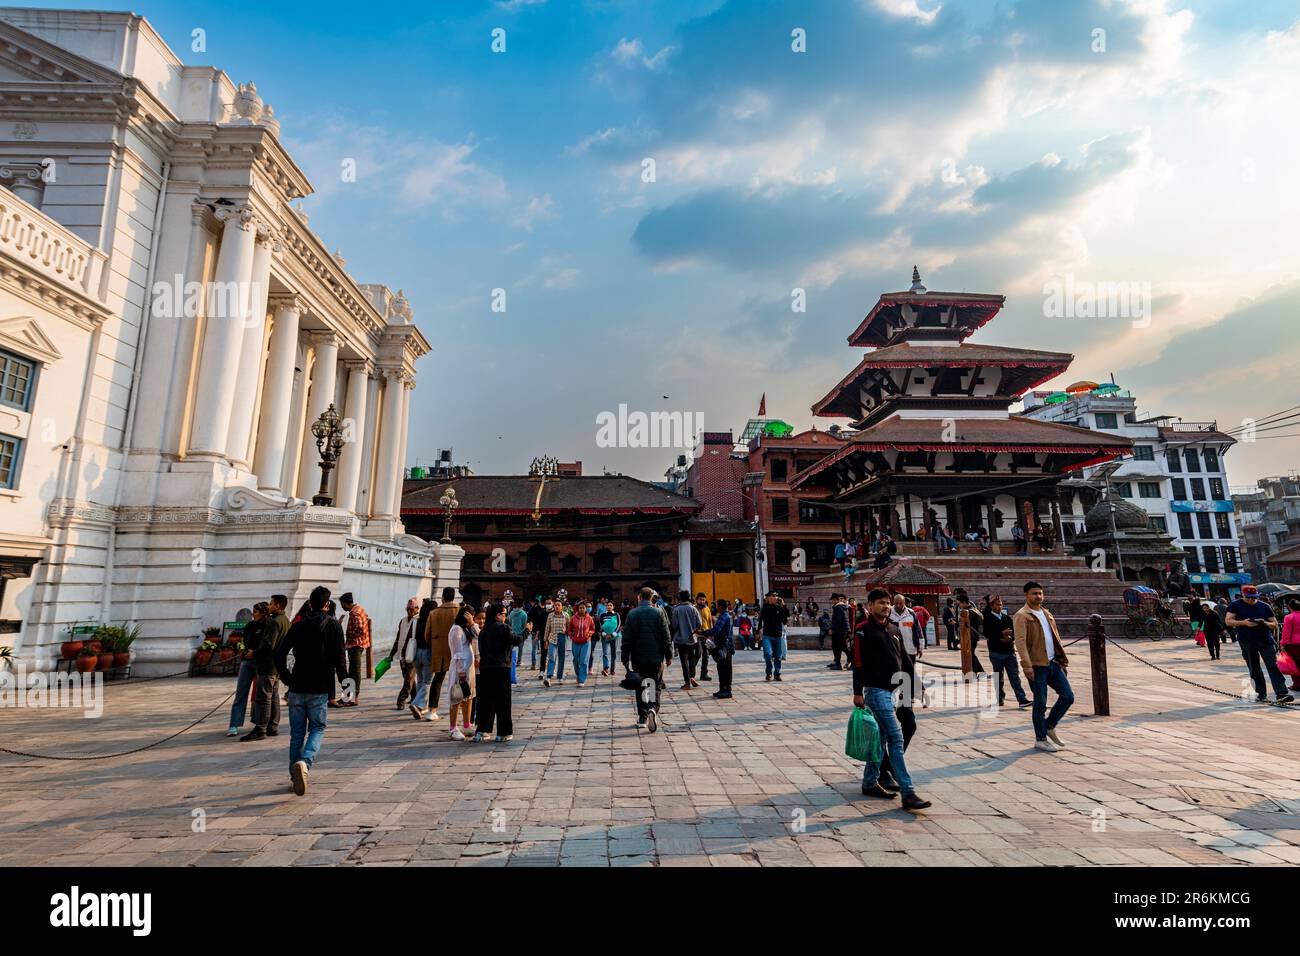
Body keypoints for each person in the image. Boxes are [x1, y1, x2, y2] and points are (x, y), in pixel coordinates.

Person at [853, 588, 931, 811]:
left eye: (887, 603)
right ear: (870, 606)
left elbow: (905, 661)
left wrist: (918, 685)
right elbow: (858, 663)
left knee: (881, 738)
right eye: (880, 603)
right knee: (895, 738)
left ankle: (869, 782)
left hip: (895, 691)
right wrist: (857, 691)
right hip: (876, 692)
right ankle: (908, 792)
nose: (885, 606)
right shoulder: (862, 631)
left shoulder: (894, 629)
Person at [274, 585, 349, 796]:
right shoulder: (334, 626)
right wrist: (347, 686)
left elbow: (279, 656)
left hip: (297, 686)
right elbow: (340, 660)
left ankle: (294, 774)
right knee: (317, 728)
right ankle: (305, 762)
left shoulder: (298, 626)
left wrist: (288, 679)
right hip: (319, 687)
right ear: (327, 605)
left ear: (309, 604)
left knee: (296, 733)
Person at [1013, 581, 1074, 752]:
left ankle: (1049, 726)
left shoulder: (1047, 614)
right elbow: (1021, 642)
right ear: (1026, 595)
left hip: (1053, 663)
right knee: (1040, 703)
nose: (1038, 596)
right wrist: (1026, 665)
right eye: (1034, 593)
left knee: (1068, 696)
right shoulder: (1022, 615)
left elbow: (1055, 639)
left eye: (1040, 593)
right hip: (1036, 665)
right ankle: (1040, 738)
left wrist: (1062, 661)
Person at [1225, 585, 1293, 704]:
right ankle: (1260, 693)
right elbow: (1228, 621)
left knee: (1273, 665)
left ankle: (1281, 693)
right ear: (1243, 595)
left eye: (1254, 597)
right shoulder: (1235, 605)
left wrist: (1265, 623)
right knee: (1254, 667)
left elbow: (1275, 624)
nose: (1252, 600)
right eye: (1249, 598)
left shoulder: (1264, 606)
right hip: (1246, 640)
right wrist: (1244, 623)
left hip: (1265, 640)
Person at [622, 587, 671, 732]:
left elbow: (627, 639)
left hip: (638, 656)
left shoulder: (632, 613)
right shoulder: (659, 612)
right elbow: (665, 636)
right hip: (656, 656)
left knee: (642, 685)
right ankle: (653, 709)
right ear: (652, 598)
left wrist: (625, 657)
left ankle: (643, 717)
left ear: (639, 597)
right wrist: (669, 655)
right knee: (655, 684)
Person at [475, 603, 521, 742]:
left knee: (486, 701)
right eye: (504, 614)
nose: (505, 617)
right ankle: (503, 732)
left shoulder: (483, 631)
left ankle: (482, 731)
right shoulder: (503, 628)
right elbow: (515, 640)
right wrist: (526, 631)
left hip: (486, 669)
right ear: (497, 615)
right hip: (501, 668)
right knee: (503, 701)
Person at [410, 587, 458, 722]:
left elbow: (427, 635)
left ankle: (431, 710)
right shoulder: (459, 611)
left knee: (436, 680)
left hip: (437, 651)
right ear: (453, 597)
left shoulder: (434, 613)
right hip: (455, 651)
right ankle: (464, 715)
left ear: (442, 597)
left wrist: (435, 644)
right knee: (458, 680)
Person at [982, 594, 1030, 708]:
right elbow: (987, 634)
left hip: (1009, 651)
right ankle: (999, 698)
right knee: (998, 677)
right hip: (996, 651)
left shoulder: (1007, 618)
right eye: (997, 605)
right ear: (992, 606)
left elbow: (1014, 632)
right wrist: (1000, 635)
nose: (1000, 607)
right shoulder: (987, 618)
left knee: (1014, 676)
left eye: (1001, 604)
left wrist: (1010, 638)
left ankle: (1021, 699)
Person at [230, 602, 268, 739]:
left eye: (256, 612)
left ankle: (258, 722)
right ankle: (234, 724)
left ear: (263, 613)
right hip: (247, 661)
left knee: (259, 694)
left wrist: (255, 653)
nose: (254, 615)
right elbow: (246, 641)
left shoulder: (268, 626)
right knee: (241, 692)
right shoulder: (250, 626)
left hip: (260, 661)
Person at [446, 605, 478, 741]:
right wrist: (461, 671)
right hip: (460, 669)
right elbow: (457, 652)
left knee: (468, 696)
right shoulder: (456, 629)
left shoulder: (467, 628)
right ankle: (453, 728)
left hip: (468, 668)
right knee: (456, 697)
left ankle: (467, 724)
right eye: (470, 616)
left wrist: (472, 624)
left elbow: (478, 635)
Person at [335, 593, 369, 708]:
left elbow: (359, 628)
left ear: (345, 603)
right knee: (353, 671)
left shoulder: (354, 613)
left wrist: (350, 637)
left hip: (355, 645)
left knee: (354, 672)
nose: (342, 607)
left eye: (342, 604)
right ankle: (348, 696)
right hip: (360, 644)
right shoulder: (359, 609)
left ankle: (354, 698)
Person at [388, 597, 421, 710]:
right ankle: (415, 697)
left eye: (412, 609)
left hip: (413, 654)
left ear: (417, 609)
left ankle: (400, 701)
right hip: (402, 654)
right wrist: (391, 654)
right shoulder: (402, 621)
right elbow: (398, 638)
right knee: (408, 678)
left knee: (408, 679)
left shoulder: (418, 621)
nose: (409, 611)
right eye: (408, 609)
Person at [671, 590, 702, 690]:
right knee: (692, 658)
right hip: (692, 638)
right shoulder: (693, 609)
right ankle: (692, 676)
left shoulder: (676, 609)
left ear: (680, 598)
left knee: (684, 661)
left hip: (680, 639)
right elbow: (699, 623)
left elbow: (674, 625)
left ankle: (687, 682)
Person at [706, 598, 735, 700]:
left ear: (721, 607)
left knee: (725, 669)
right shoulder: (726, 616)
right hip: (725, 645)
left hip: (724, 646)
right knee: (722, 668)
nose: (716, 608)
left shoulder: (724, 616)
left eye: (717, 606)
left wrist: (704, 632)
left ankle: (727, 690)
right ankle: (722, 689)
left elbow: (716, 630)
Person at [759, 591, 787, 681]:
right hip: (767, 635)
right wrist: (756, 632)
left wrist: (784, 605)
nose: (775, 597)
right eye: (773, 596)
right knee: (768, 654)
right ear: (768, 598)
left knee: (778, 656)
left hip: (778, 635)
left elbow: (786, 620)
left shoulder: (779, 607)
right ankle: (768, 673)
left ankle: (777, 674)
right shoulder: (765, 607)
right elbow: (760, 620)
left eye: (776, 596)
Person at [567, 600, 596, 686]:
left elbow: (593, 629)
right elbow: (569, 629)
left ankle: (582, 680)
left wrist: (589, 633)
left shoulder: (589, 618)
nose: (582, 609)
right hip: (575, 642)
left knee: (583, 661)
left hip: (586, 642)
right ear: (577, 609)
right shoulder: (573, 618)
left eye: (583, 608)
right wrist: (571, 635)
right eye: (580, 608)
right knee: (576, 660)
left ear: (586, 609)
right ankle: (578, 674)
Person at [543, 600, 569, 687]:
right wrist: (545, 640)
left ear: (562, 606)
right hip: (552, 638)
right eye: (556, 605)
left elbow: (569, 627)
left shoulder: (566, 615)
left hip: (562, 637)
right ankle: (549, 677)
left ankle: (560, 677)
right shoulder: (550, 616)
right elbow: (547, 628)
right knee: (551, 657)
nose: (557, 606)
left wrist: (568, 635)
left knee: (561, 658)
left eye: (559, 605)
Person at [1281, 597, 1300, 692]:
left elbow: (1286, 632)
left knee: (1295, 665)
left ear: (1290, 608)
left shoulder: (1289, 617)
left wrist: (1283, 644)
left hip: (1294, 644)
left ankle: (1297, 685)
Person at [507, 601, 529, 684]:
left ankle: (509, 659)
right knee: (520, 648)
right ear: (522, 606)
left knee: (510, 648)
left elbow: (508, 621)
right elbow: (524, 624)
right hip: (520, 633)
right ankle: (519, 661)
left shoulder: (512, 613)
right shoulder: (524, 614)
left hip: (512, 633)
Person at [597, 602, 621, 676]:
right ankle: (606, 669)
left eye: (611, 605)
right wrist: (604, 634)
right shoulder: (602, 615)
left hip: (614, 637)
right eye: (608, 605)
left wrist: (612, 634)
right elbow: (600, 626)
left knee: (613, 654)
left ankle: (612, 670)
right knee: (605, 653)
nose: (609, 606)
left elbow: (619, 625)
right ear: (606, 607)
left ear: (613, 606)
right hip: (605, 637)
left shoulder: (616, 615)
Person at [695, 593, 714, 682]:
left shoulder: (707, 609)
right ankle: (691, 672)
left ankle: (704, 674)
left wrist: (711, 634)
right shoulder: (694, 609)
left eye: (703, 599)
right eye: (700, 599)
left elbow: (710, 621)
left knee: (706, 656)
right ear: (697, 599)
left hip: (706, 635)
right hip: (697, 635)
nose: (702, 601)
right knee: (698, 654)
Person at [527, 598, 549, 671]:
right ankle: (544, 663)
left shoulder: (533, 609)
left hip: (534, 630)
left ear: (539, 602)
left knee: (534, 648)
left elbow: (529, 619)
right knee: (544, 649)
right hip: (542, 631)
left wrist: (530, 625)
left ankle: (533, 664)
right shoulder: (545, 611)